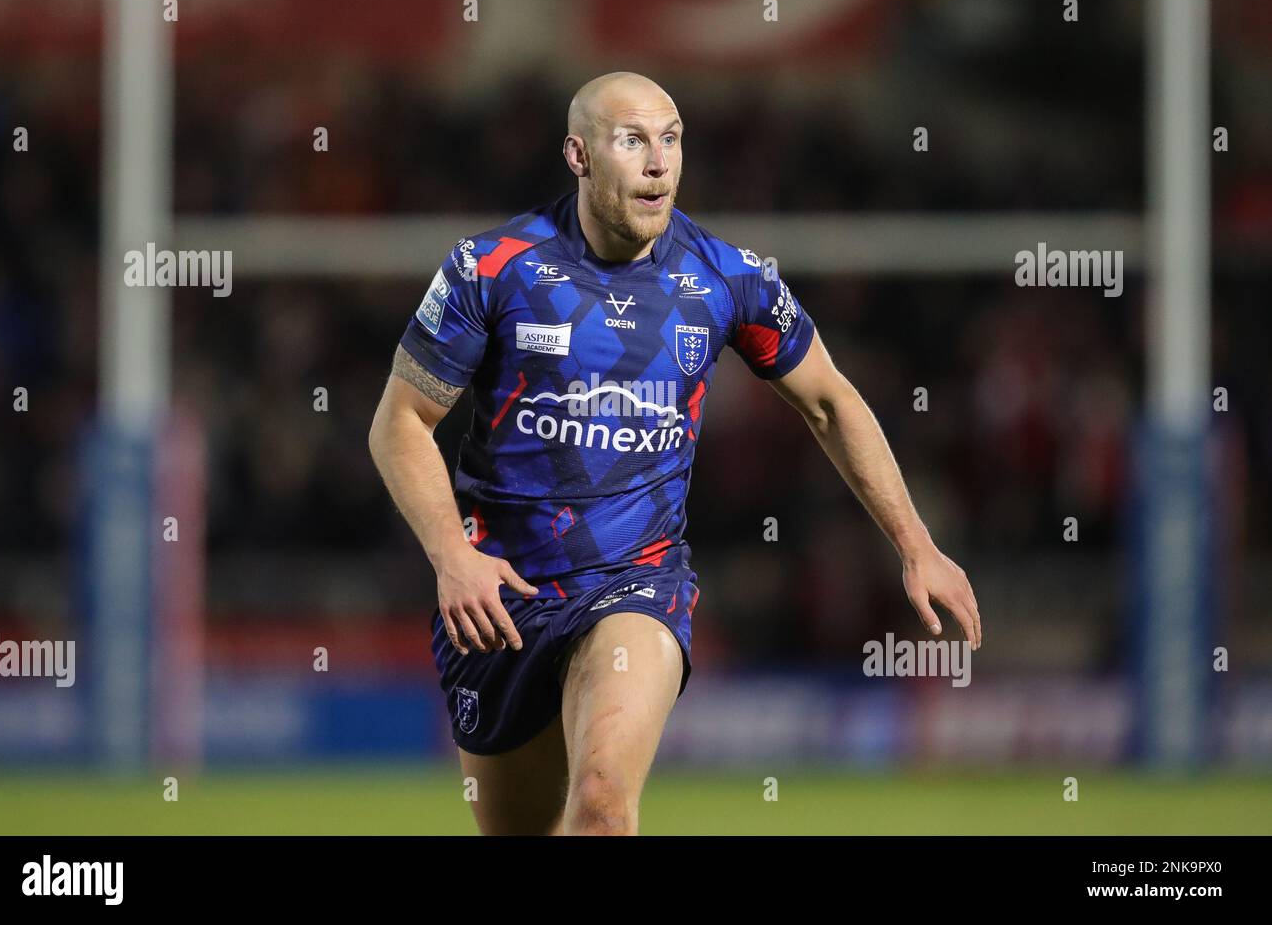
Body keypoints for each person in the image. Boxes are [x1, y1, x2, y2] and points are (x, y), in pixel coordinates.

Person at [369, 72, 981, 835]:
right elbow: (399, 423)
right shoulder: (491, 268)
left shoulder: (727, 277)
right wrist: (451, 558)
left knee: (599, 808)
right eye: (632, 141)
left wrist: (916, 545)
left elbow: (830, 400)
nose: (659, 161)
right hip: (502, 597)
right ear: (579, 154)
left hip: (637, 584)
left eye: (672, 138)